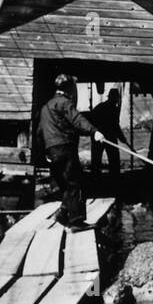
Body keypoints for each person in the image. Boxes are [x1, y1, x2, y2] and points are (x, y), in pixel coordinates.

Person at [38, 73, 105, 230]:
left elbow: (39, 132)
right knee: (75, 183)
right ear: (68, 88)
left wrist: (45, 153)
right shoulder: (64, 103)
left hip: (52, 151)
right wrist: (94, 131)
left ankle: (63, 213)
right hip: (65, 148)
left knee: (65, 185)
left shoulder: (46, 107)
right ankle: (76, 222)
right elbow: (77, 119)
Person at [89, 87, 124, 176]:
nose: (117, 100)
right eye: (117, 98)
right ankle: (115, 178)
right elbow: (116, 126)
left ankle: (96, 178)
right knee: (114, 160)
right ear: (114, 98)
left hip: (99, 136)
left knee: (96, 161)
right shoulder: (113, 109)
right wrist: (122, 138)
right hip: (106, 136)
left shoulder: (100, 106)